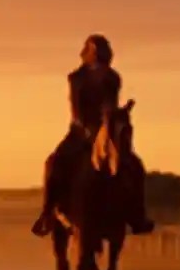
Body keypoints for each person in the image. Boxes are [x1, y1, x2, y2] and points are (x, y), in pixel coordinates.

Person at [32, 34, 155, 237]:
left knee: (134, 165)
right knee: (54, 162)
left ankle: (138, 216)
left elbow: (111, 104)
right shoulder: (76, 78)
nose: (101, 57)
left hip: (107, 130)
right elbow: (76, 108)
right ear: (88, 54)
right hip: (81, 130)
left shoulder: (113, 78)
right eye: (96, 52)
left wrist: (111, 121)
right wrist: (87, 128)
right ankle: (47, 214)